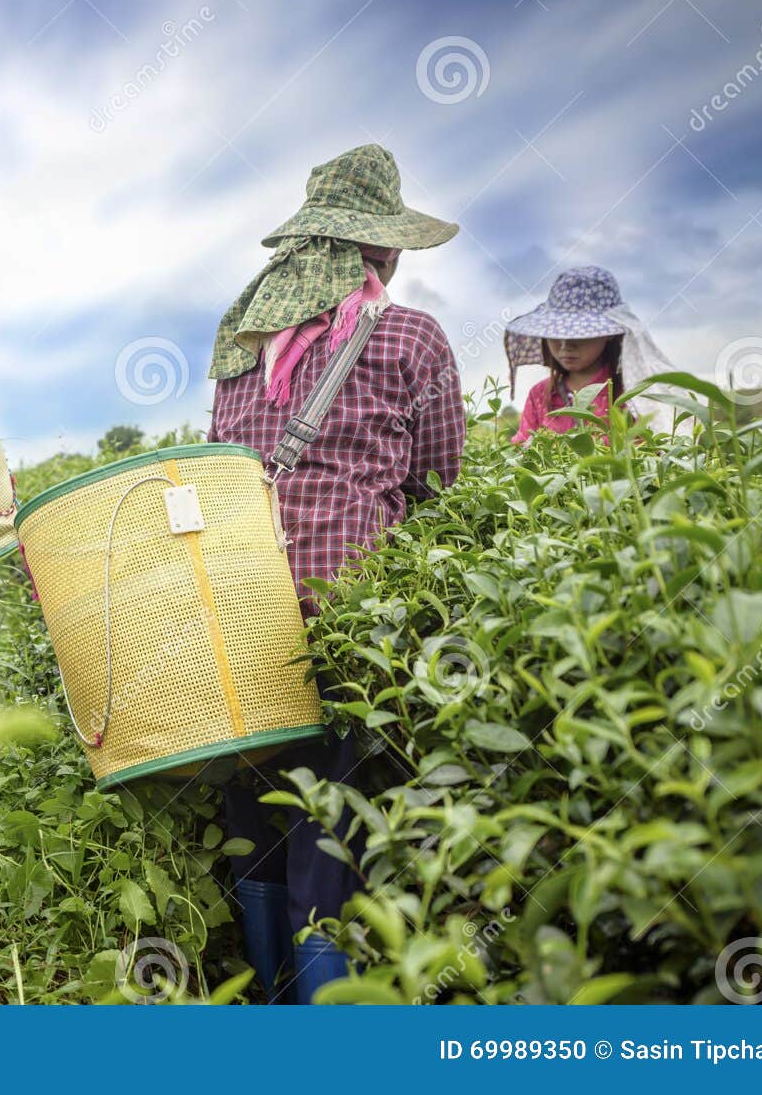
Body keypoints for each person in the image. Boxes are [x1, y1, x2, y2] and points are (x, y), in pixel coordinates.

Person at [206, 144, 466, 1002]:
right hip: (341, 618)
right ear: (381, 254)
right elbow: (439, 488)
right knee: (329, 832)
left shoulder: (242, 346)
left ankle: (269, 1007)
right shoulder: (410, 336)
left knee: (257, 823)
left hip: (240, 613)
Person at [505, 265, 673, 442]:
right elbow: (523, 451)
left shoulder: (631, 393)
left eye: (577, 334)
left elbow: (654, 450)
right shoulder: (541, 394)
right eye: (556, 334)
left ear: (609, 334)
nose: (565, 345)